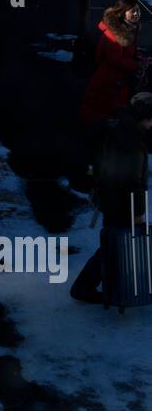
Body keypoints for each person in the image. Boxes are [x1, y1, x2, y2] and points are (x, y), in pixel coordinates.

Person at [70, 91, 152, 302]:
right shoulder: (131, 140)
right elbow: (132, 182)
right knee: (114, 245)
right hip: (122, 202)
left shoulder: (119, 127)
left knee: (112, 243)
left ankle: (93, 286)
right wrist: (138, 213)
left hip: (109, 196)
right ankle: (86, 287)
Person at [80, 0, 144, 134]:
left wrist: (140, 58)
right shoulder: (113, 35)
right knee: (101, 111)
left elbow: (130, 52)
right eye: (133, 11)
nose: (137, 14)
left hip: (119, 80)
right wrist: (137, 64)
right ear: (122, 13)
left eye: (138, 11)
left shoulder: (130, 29)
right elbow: (115, 60)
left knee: (114, 112)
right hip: (108, 80)